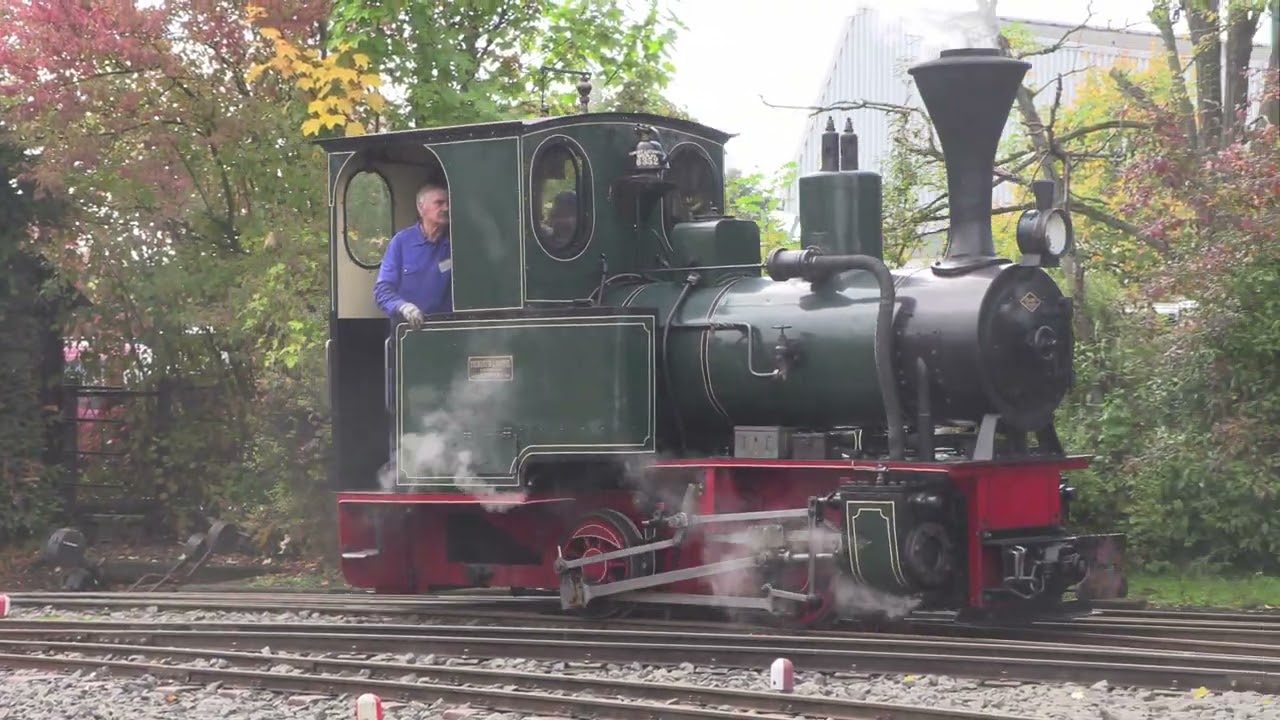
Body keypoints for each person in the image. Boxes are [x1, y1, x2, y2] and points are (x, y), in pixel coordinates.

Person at [374, 183, 452, 329]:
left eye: (448, 203)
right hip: (411, 332)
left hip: (447, 330)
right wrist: (404, 307)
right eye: (439, 203)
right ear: (421, 207)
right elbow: (383, 290)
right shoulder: (401, 243)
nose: (446, 208)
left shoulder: (455, 243)